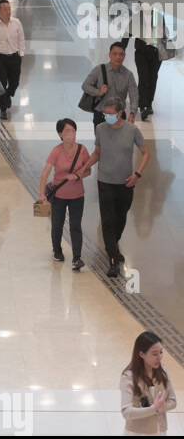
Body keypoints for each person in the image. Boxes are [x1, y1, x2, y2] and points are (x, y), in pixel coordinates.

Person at [82, 97, 150, 277]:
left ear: (120, 113)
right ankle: (112, 259)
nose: (107, 117)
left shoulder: (132, 130)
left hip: (126, 183)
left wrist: (137, 174)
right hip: (105, 182)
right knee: (108, 221)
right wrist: (85, 166)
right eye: (105, 114)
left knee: (120, 219)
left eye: (111, 114)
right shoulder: (101, 129)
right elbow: (97, 153)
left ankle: (113, 247)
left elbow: (146, 154)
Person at [38, 119, 90, 270]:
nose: (71, 134)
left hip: (78, 195)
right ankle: (57, 251)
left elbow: (88, 170)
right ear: (60, 134)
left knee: (75, 226)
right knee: (57, 225)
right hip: (59, 196)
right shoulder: (56, 151)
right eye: (67, 131)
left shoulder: (82, 150)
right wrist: (42, 194)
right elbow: (45, 173)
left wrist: (78, 176)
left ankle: (77, 258)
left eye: (73, 131)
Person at [121, 331, 177, 435]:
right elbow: (126, 412)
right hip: (137, 432)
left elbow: (173, 401)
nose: (159, 357)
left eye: (161, 352)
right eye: (155, 354)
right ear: (141, 354)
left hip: (160, 430)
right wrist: (154, 409)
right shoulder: (129, 376)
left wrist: (163, 406)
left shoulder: (163, 372)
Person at [120, 8, 165, 121]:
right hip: (141, 53)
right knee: (144, 78)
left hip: (156, 54)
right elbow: (128, 33)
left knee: (153, 78)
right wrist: (121, 48)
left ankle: (149, 103)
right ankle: (143, 105)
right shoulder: (137, 17)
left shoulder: (159, 16)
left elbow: (164, 34)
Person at [0, 0, 26, 120]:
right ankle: (3, 109)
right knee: (1, 84)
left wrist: (21, 52)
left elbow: (21, 38)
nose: (8, 11)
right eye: (5, 9)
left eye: (9, 8)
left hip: (15, 56)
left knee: (15, 82)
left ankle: (8, 95)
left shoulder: (17, 22)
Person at [81, 42, 139, 126]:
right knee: (101, 139)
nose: (118, 57)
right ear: (109, 55)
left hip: (119, 116)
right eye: (114, 54)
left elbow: (134, 95)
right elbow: (85, 85)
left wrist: (132, 113)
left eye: (121, 54)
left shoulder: (128, 75)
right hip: (101, 115)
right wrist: (98, 92)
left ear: (124, 56)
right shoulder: (99, 70)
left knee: (119, 139)